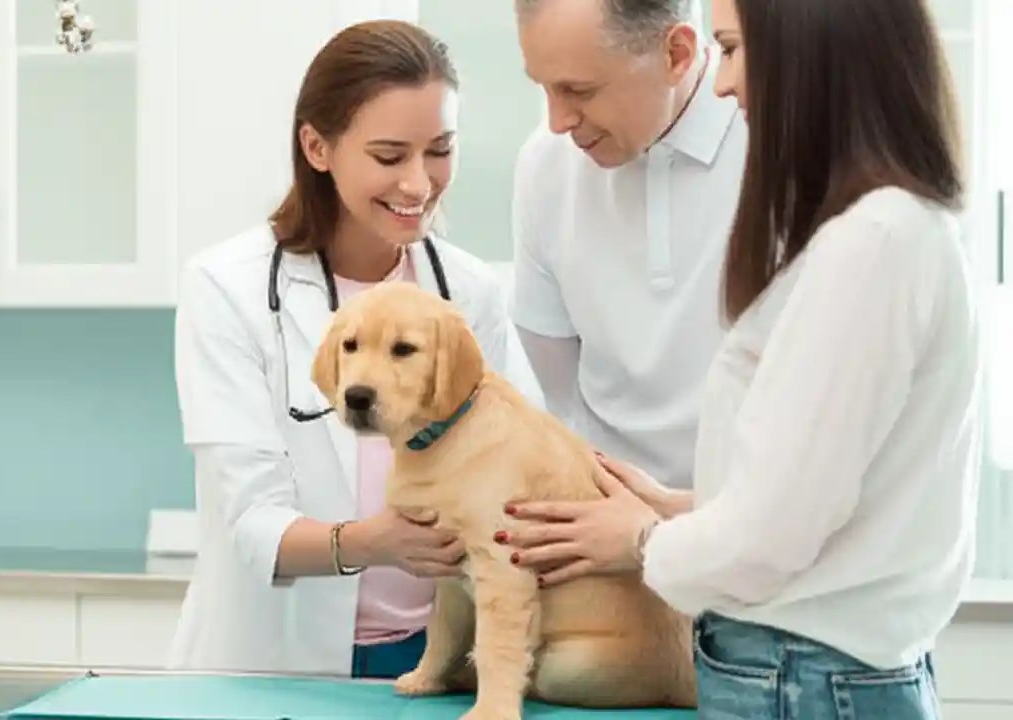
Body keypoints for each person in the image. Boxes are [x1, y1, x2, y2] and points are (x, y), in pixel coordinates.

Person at [503, 0, 980, 716]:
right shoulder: (883, 231)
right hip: (805, 662)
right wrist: (688, 512)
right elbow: (822, 494)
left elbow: (776, 534)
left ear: (811, 56)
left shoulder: (871, 244)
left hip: (800, 669)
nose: (722, 85)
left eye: (730, 49)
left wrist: (642, 539)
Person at [169, 20, 541, 679]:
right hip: (278, 665)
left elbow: (524, 468)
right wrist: (375, 544)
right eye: (390, 155)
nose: (420, 183)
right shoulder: (228, 289)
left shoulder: (469, 293)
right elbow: (253, 523)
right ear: (317, 146)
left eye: (440, 150)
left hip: (440, 659)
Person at [509, 0, 747, 493]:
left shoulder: (778, 147)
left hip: (760, 531)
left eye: (578, 90)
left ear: (676, 54)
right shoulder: (545, 165)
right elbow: (559, 398)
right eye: (544, 88)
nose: (557, 121)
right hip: (599, 524)